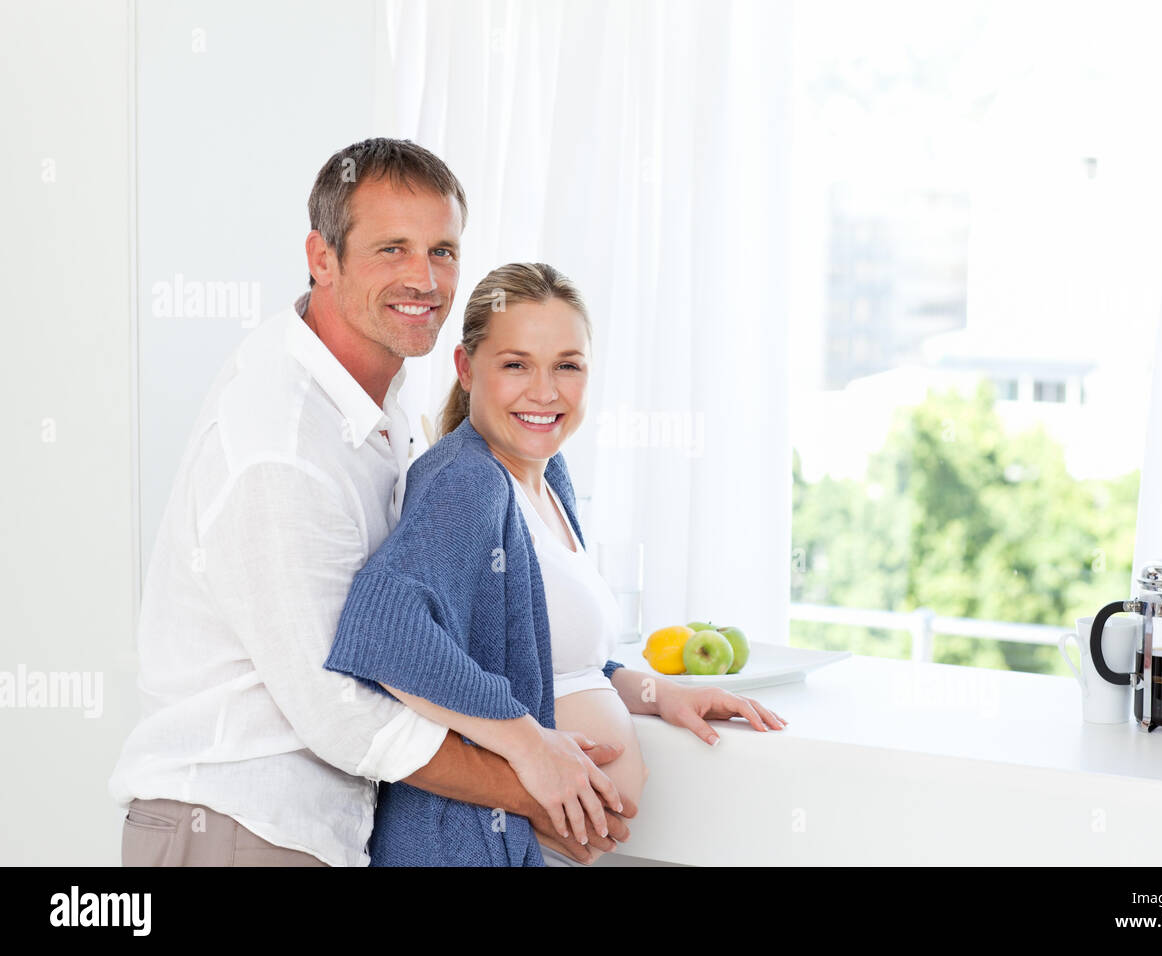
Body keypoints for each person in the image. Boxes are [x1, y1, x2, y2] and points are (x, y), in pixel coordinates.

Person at [108, 139, 631, 867]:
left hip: (313, 836)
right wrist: (532, 777)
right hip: (237, 828)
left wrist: (637, 688)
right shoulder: (282, 444)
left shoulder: (380, 396)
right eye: (393, 249)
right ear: (322, 257)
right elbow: (340, 708)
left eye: (442, 250)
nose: (424, 279)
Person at [325, 262, 787, 866]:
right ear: (466, 369)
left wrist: (655, 692)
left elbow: (553, 663)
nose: (545, 392)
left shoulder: (549, 481)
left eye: (567, 366)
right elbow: (383, 633)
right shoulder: (468, 482)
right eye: (516, 364)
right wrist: (531, 746)